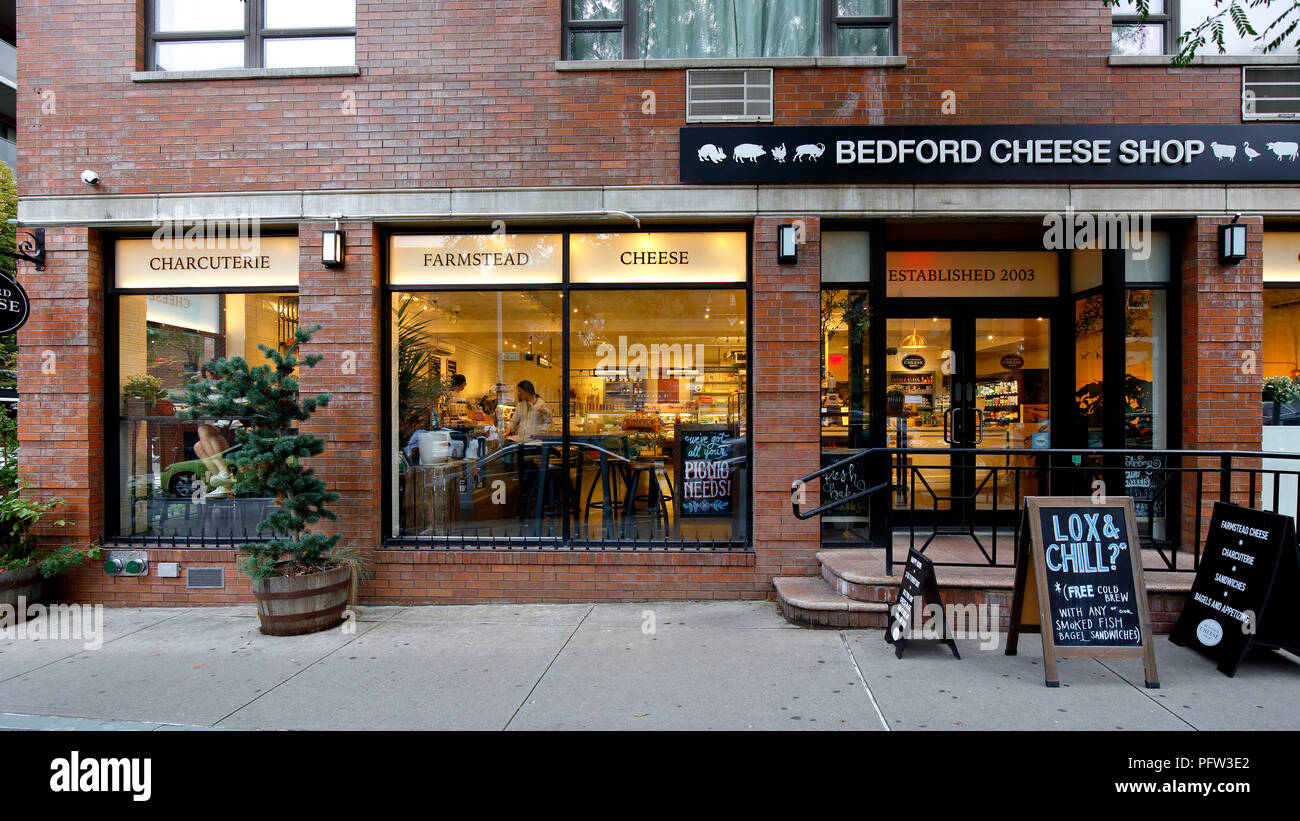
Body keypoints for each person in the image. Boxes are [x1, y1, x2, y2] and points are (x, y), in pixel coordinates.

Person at [193, 366, 242, 498]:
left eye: (214, 377)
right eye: (209, 378)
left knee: (203, 429)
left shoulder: (233, 387)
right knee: (198, 446)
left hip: (235, 433)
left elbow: (240, 407)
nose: (212, 381)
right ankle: (224, 484)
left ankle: (224, 475)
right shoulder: (210, 391)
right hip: (222, 430)